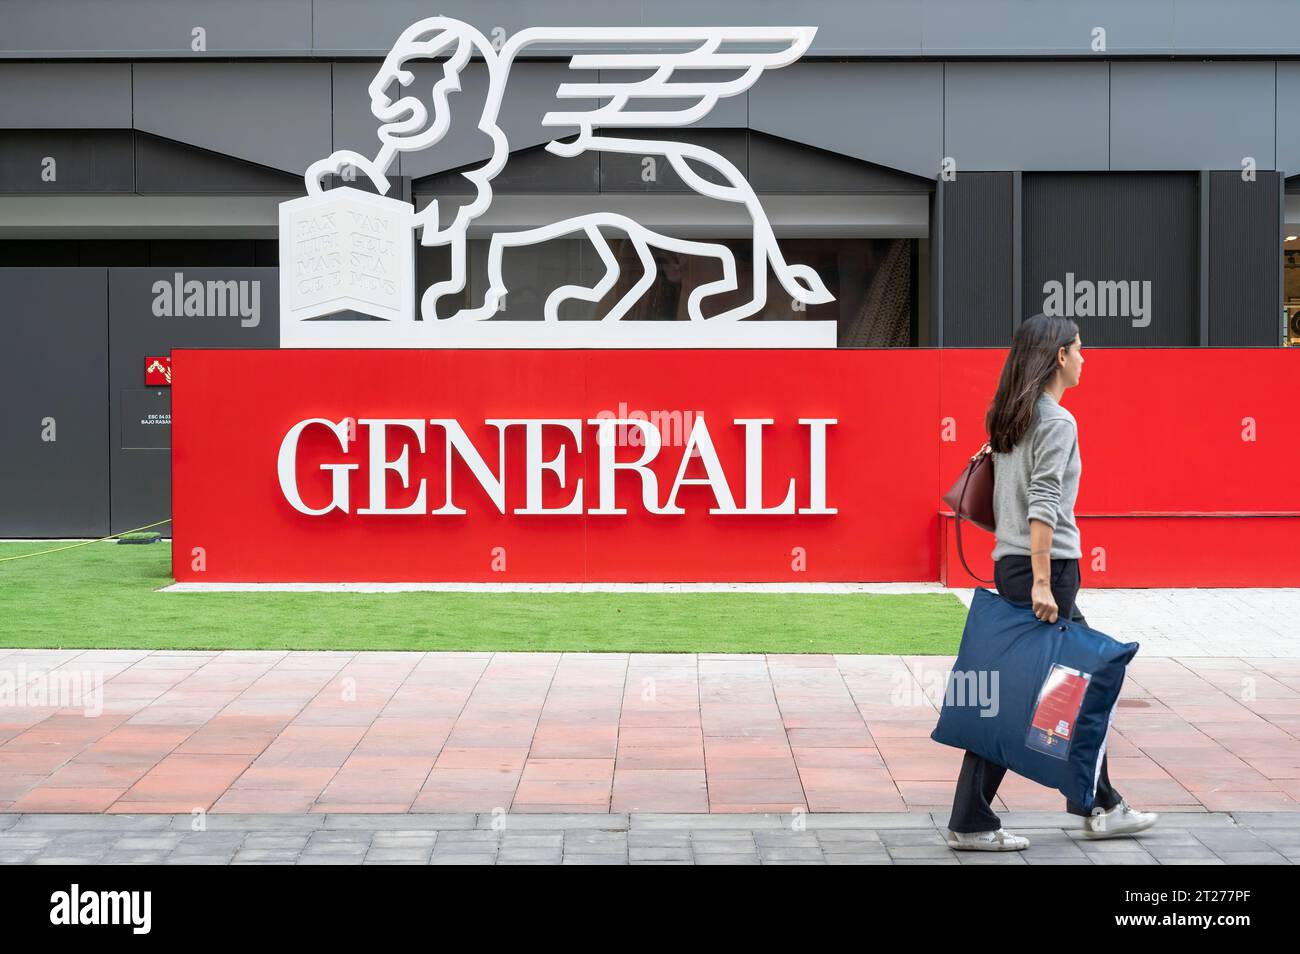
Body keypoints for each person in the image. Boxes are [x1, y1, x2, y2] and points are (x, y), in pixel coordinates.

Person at [944, 313, 1159, 852]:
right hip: (1046, 570)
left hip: (1011, 561)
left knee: (1058, 683)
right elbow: (1043, 504)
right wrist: (1043, 582)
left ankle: (1098, 802)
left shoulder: (1010, 416)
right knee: (1047, 686)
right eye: (1080, 349)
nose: (1086, 359)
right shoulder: (1056, 421)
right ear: (1060, 356)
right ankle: (982, 818)